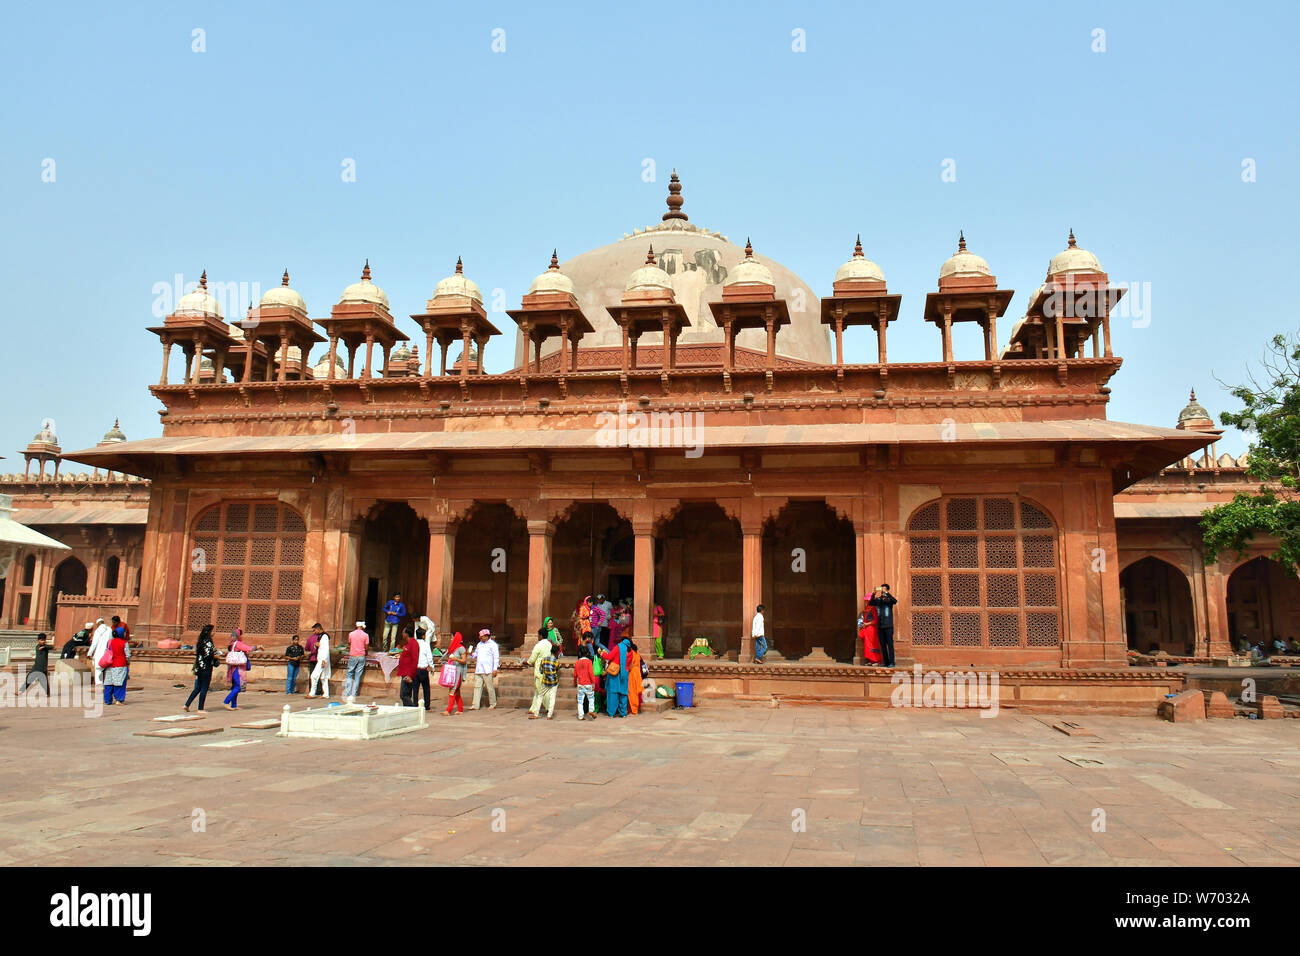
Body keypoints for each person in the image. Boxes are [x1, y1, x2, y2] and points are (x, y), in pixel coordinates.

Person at [184, 624, 218, 712]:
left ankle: (187, 704)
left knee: (197, 688)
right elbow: (208, 655)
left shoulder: (200, 642)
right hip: (206, 668)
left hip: (199, 667)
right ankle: (200, 708)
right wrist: (215, 657)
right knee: (204, 688)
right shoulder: (208, 643)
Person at [222, 629, 259, 710]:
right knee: (238, 687)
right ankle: (226, 701)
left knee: (235, 686)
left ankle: (234, 705)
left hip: (232, 668)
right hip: (238, 669)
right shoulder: (238, 644)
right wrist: (257, 647)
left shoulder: (232, 644)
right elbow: (248, 648)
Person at [598, 634, 631, 718]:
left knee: (613, 693)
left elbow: (609, 656)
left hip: (615, 673)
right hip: (624, 674)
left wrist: (602, 654)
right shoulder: (630, 651)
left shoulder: (618, 647)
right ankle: (623, 713)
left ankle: (611, 713)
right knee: (623, 693)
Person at [526, 628, 553, 718]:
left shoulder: (539, 645)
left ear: (541, 635)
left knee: (541, 689)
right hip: (548, 667)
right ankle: (533, 708)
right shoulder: (549, 644)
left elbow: (533, 657)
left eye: (538, 635)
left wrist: (528, 662)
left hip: (540, 669)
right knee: (538, 690)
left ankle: (549, 707)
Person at [869, 585, 898, 667]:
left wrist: (886, 593)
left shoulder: (888, 600)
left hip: (888, 626)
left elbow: (895, 601)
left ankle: (892, 662)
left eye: (884, 589)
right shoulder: (878, 600)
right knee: (883, 645)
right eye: (882, 589)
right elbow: (871, 602)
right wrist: (874, 593)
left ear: (887, 590)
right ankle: (886, 662)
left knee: (890, 645)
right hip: (880, 626)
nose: (882, 590)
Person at [471, 628, 499, 710]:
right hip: (479, 669)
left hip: (488, 669)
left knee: (489, 688)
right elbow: (476, 654)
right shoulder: (479, 644)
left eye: (482, 637)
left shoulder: (493, 645)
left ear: (486, 636)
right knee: (477, 687)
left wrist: (495, 669)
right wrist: (471, 654)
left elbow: (496, 657)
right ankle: (475, 705)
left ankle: (493, 703)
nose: (481, 638)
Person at [101, 625, 130, 706]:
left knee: (109, 683)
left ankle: (107, 700)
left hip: (109, 665)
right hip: (120, 665)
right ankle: (119, 700)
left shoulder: (110, 642)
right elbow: (127, 655)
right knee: (119, 683)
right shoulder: (124, 643)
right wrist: (128, 663)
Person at [532, 642, 560, 719]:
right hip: (554, 682)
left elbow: (541, 671)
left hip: (545, 681)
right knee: (552, 698)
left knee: (540, 696)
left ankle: (536, 714)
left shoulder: (544, 660)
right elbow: (557, 669)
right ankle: (549, 715)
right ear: (557, 653)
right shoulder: (556, 662)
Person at [344, 620, 369, 703]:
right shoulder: (366, 635)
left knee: (350, 673)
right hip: (361, 655)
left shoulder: (351, 634)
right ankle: (354, 693)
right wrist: (366, 652)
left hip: (353, 655)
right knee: (358, 675)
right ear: (362, 627)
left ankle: (348, 693)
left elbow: (349, 643)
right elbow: (366, 646)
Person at [442, 631, 466, 715]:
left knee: (452, 691)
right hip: (452, 672)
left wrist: (456, 659)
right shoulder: (453, 648)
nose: (451, 639)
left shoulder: (461, 648)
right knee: (457, 692)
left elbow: (464, 660)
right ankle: (460, 709)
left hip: (458, 672)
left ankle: (448, 710)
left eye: (453, 637)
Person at [395, 630, 420, 707]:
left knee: (404, 694)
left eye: (403, 632)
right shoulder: (408, 644)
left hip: (408, 673)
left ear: (406, 634)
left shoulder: (413, 644)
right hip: (405, 672)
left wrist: (409, 675)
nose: (402, 634)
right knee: (407, 694)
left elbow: (415, 659)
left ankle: (413, 711)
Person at [308, 623, 332, 699]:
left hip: (323, 659)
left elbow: (325, 649)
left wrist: (324, 660)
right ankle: (326, 694)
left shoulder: (324, 636)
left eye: (314, 630)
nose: (314, 632)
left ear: (318, 629)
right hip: (322, 659)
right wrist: (316, 645)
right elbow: (320, 647)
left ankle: (312, 693)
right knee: (323, 677)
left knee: (314, 676)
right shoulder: (321, 636)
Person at [412, 624, 433, 710]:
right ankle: (427, 705)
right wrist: (432, 667)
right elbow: (429, 657)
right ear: (423, 636)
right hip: (423, 669)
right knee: (426, 689)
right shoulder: (425, 644)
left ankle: (415, 704)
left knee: (415, 688)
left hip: (415, 669)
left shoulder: (414, 644)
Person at [574, 642, 597, 720]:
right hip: (588, 684)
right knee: (591, 698)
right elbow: (591, 673)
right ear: (587, 653)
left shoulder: (577, 663)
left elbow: (575, 675)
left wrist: (574, 682)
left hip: (580, 684)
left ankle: (580, 716)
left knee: (580, 701)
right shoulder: (589, 662)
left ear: (580, 653)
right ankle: (591, 710)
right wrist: (593, 682)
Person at [87, 617, 111, 686]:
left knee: (98, 668)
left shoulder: (98, 631)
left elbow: (94, 643)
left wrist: (89, 653)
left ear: (98, 624)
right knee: (107, 669)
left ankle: (99, 683)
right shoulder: (109, 629)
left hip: (99, 652)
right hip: (108, 652)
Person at [858, 599, 883, 666]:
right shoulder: (866, 610)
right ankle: (871, 660)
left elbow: (875, 620)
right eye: (865, 601)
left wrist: (867, 624)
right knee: (868, 645)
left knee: (873, 645)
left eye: (867, 601)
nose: (866, 602)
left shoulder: (873, 609)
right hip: (867, 630)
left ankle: (877, 661)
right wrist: (862, 624)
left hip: (872, 630)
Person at [626, 640, 644, 715]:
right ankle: (635, 708)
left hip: (632, 673)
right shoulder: (637, 653)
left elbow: (630, 665)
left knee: (632, 692)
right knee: (636, 692)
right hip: (637, 673)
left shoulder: (631, 653)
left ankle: (633, 709)